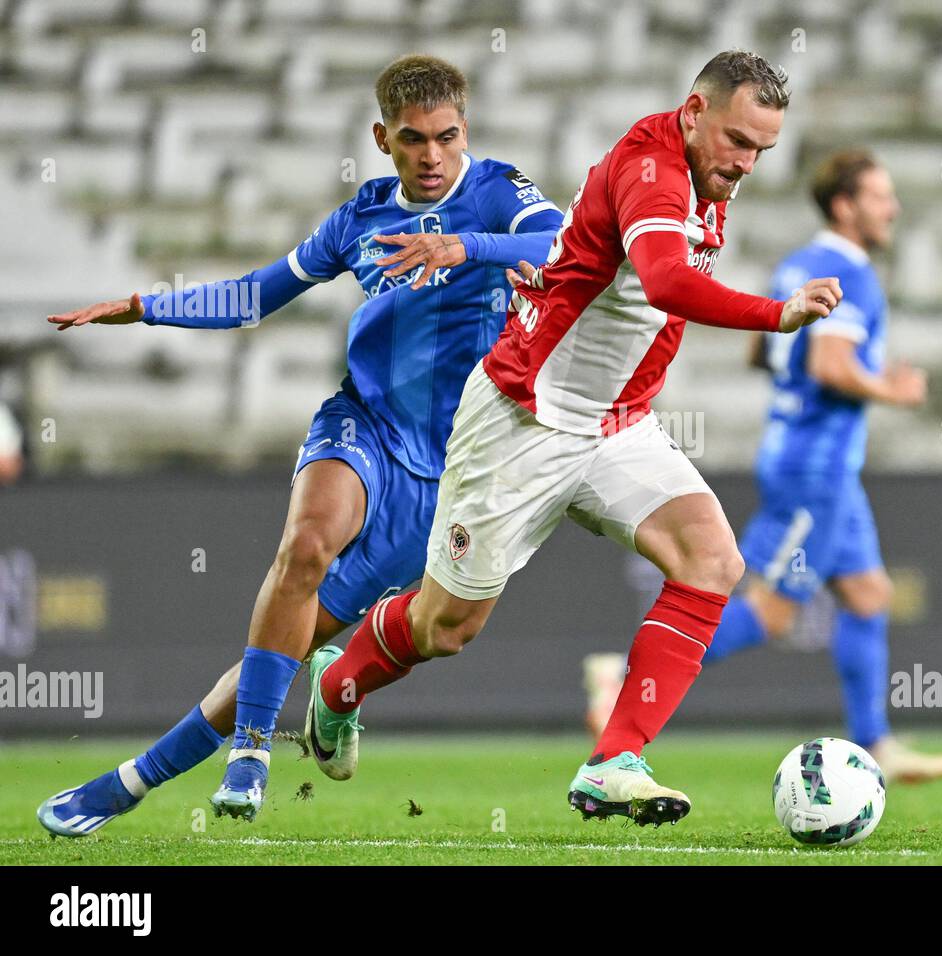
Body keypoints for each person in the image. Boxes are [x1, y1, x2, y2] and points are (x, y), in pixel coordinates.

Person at [297, 49, 844, 827]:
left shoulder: (702, 174)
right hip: (525, 418)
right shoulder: (653, 170)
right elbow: (663, 281)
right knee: (446, 628)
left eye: (761, 149)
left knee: (712, 560)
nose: (746, 162)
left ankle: (614, 761)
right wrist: (775, 313)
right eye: (737, 140)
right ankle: (335, 684)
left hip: (617, 424)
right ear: (694, 111)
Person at [36, 54, 564, 836]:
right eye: (413, 140)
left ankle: (128, 781)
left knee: (286, 651)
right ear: (381, 138)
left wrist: (467, 248)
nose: (431, 156)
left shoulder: (498, 191)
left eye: (446, 137)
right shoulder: (361, 218)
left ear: (465, 129)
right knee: (307, 545)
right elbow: (258, 293)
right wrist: (149, 307)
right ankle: (251, 749)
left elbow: (564, 246)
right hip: (362, 423)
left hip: (446, 468)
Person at [704, 149, 942, 784]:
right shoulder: (850, 274)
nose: (892, 207)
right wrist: (894, 390)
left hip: (813, 462)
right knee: (773, 612)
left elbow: (760, 355)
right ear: (845, 206)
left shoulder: (797, 265)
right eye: (880, 196)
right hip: (814, 469)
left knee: (869, 594)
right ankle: (627, 677)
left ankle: (878, 743)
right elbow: (829, 366)